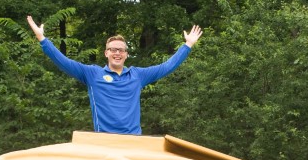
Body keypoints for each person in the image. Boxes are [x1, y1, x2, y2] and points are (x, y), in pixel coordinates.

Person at [26, 15, 202, 135]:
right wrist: (42, 39)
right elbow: (63, 62)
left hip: (134, 142)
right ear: (106, 53)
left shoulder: (137, 75)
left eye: (121, 50)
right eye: (113, 49)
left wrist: (187, 45)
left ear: (126, 55)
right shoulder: (92, 74)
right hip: (104, 142)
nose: (117, 53)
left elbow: (166, 67)